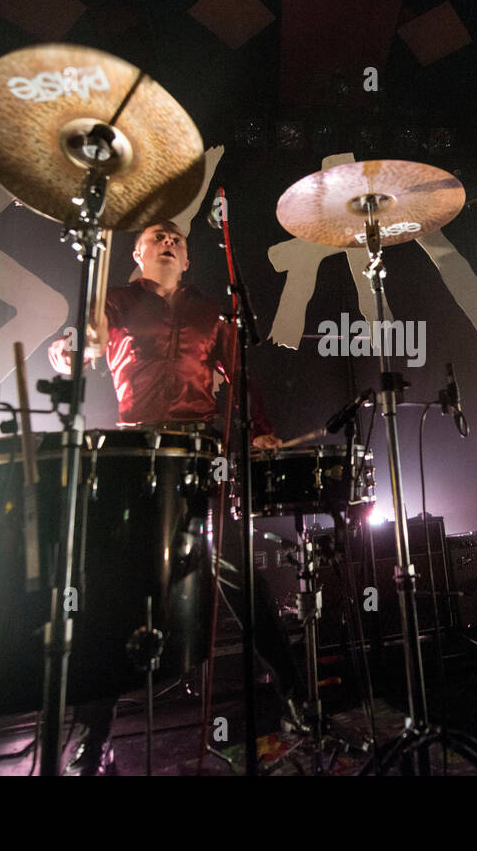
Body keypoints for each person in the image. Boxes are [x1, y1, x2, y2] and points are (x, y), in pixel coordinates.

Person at [47, 221, 305, 772]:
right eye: (157, 238)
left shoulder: (211, 311)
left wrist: (260, 428)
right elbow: (80, 345)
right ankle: (95, 734)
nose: (168, 242)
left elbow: (239, 373)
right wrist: (68, 352)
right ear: (137, 253)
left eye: (177, 240)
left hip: (198, 451)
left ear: (187, 259)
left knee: (239, 574)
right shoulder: (116, 302)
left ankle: (297, 699)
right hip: (136, 451)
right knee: (115, 592)